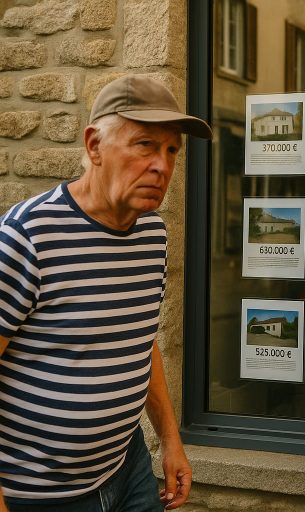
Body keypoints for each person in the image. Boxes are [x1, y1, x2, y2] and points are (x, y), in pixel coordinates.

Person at [0, 75, 212, 511]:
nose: (163, 165)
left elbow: (138, 340)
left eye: (172, 150)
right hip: (39, 495)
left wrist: (170, 441)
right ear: (94, 145)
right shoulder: (27, 236)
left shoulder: (153, 233)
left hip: (125, 468)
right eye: (145, 145)